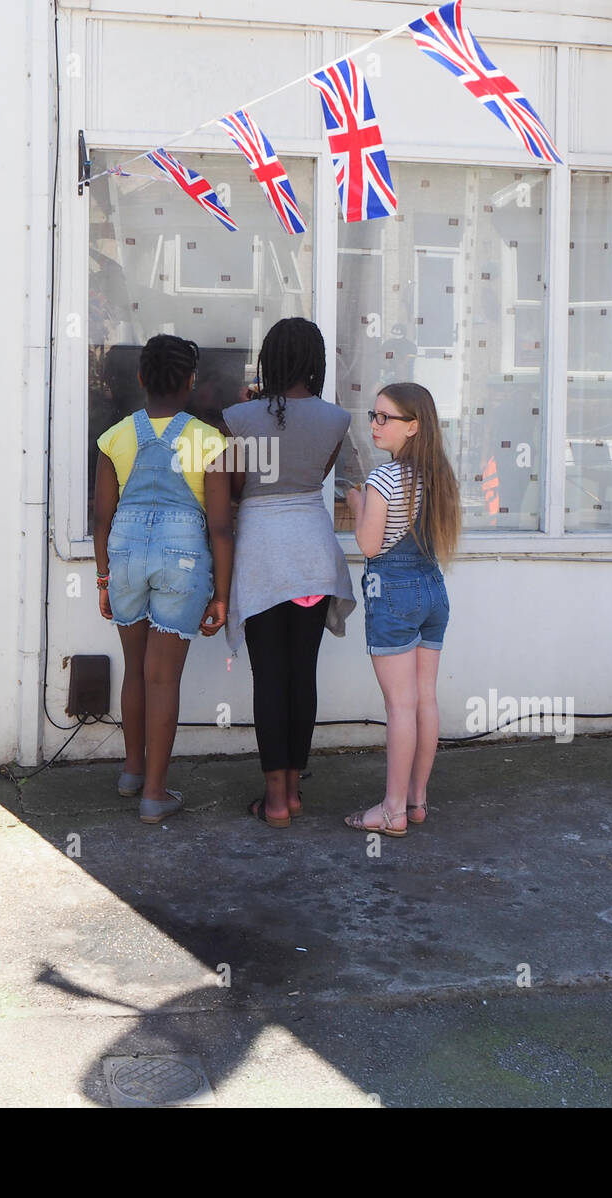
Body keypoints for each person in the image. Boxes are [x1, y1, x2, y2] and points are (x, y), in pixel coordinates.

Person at [93, 335, 234, 824]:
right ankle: (156, 793)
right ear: (191, 381)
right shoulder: (209, 440)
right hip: (184, 556)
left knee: (134, 668)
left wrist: (103, 579)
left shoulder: (114, 438)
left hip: (126, 552)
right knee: (163, 676)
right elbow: (220, 525)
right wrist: (222, 594)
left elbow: (101, 519)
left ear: (140, 378)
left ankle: (132, 772)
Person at [222, 318, 356, 828]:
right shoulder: (337, 419)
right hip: (314, 555)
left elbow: (235, 488)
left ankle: (273, 800)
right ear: (316, 362)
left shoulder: (236, 417)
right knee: (303, 675)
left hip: (262, 557)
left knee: (268, 678)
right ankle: (294, 793)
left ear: (269, 360)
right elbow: (314, 478)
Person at [344, 382, 460, 837]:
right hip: (432, 589)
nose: (374, 424)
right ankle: (417, 801)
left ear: (413, 426)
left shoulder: (383, 479)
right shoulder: (439, 476)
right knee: (424, 698)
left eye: (384, 418)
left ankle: (391, 810)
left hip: (392, 592)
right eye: (373, 415)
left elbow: (370, 544)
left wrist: (357, 504)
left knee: (400, 706)